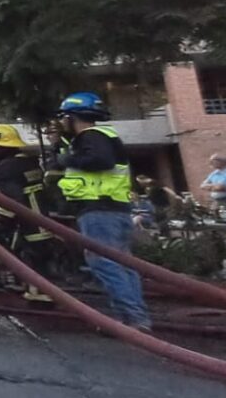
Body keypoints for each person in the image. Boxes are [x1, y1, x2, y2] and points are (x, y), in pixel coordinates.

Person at [56, 92, 152, 331]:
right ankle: (131, 316)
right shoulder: (103, 136)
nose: (61, 123)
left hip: (101, 209)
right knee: (121, 263)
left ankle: (132, 319)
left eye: (63, 118)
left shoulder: (91, 136)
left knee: (105, 263)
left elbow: (100, 161)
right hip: (113, 209)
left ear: (73, 117)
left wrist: (66, 159)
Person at [0, 124, 55, 302]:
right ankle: (33, 288)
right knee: (38, 254)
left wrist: (0, 219)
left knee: (29, 254)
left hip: (28, 219)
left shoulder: (7, 167)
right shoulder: (28, 161)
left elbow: (11, 199)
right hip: (41, 215)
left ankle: (38, 294)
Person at [199, 154, 226, 219]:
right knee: (218, 221)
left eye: (213, 161)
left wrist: (210, 187)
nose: (211, 163)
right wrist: (215, 186)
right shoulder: (214, 173)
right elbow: (202, 186)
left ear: (222, 161)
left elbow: (221, 188)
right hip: (216, 201)